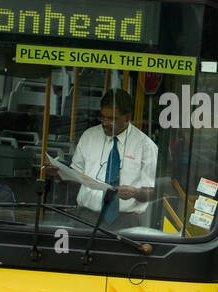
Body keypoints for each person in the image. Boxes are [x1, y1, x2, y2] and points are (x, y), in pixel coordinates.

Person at [51, 88, 157, 229]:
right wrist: (59, 174)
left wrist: (135, 192)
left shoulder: (145, 145)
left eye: (112, 118)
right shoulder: (89, 137)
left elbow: (152, 192)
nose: (105, 122)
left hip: (126, 221)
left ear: (127, 117)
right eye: (103, 117)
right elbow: (76, 176)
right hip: (86, 216)